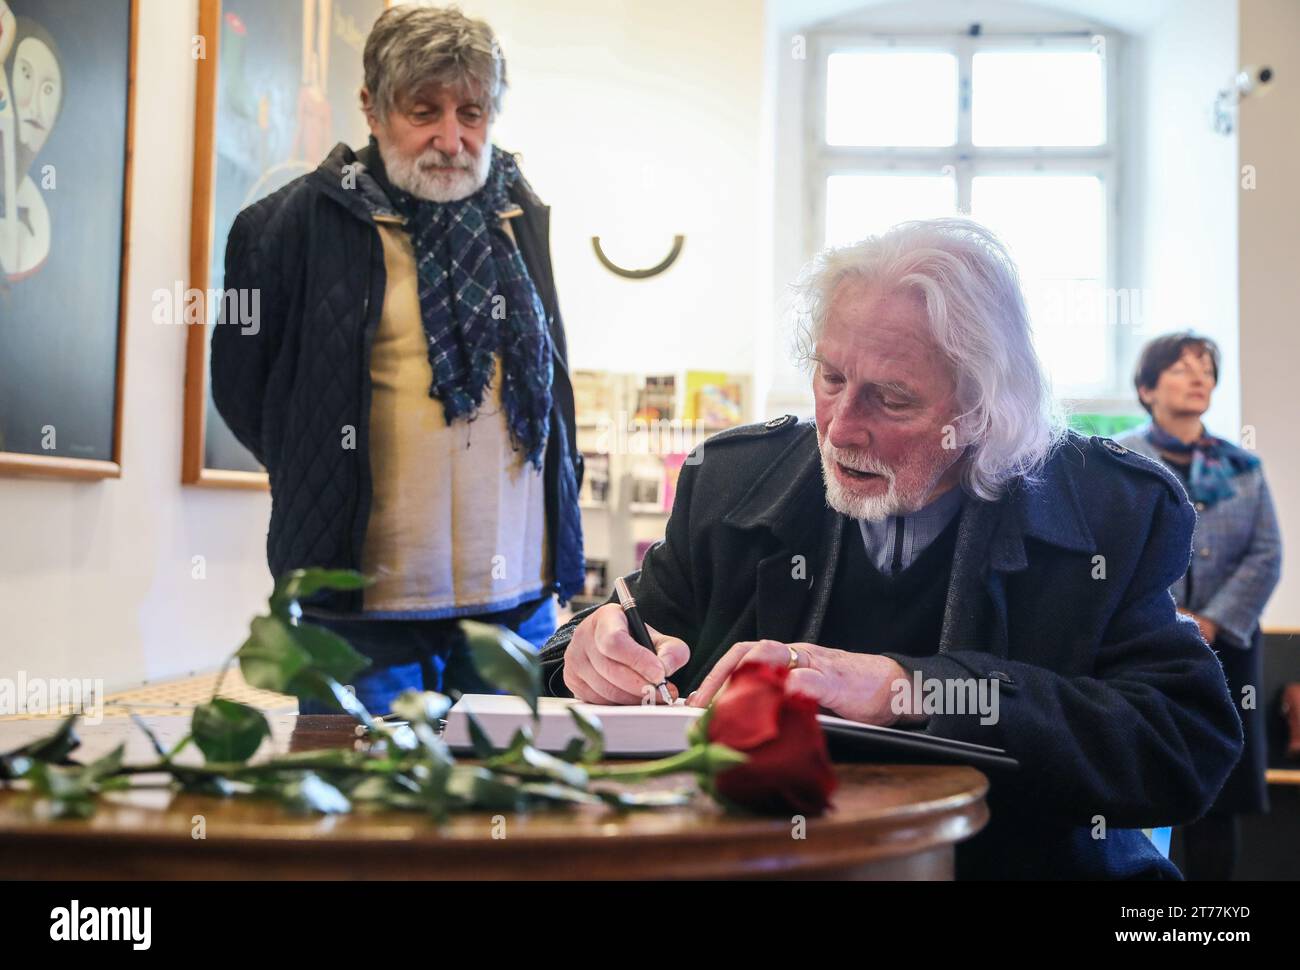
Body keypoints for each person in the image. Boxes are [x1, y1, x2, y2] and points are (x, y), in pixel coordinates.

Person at [539, 219, 1243, 880]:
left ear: (982, 409)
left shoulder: (1106, 511)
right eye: (831, 378)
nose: (841, 428)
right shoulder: (730, 486)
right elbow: (603, 645)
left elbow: (1183, 743)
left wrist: (914, 687)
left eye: (892, 399)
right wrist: (586, 654)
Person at [211, 5, 584, 714]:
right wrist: (324, 464)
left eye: (472, 112)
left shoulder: (521, 216)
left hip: (516, 607)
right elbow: (242, 389)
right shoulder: (283, 228)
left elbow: (553, 380)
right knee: (368, 811)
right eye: (425, 111)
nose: (453, 138)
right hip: (360, 616)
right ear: (372, 111)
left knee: (509, 809)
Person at [1117, 332, 1283, 880]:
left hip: (1228, 648)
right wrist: (1168, 620)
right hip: (1141, 646)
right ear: (1147, 386)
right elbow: (1111, 551)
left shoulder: (1243, 467)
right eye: (1183, 367)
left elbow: (1265, 554)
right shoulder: (1118, 461)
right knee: (1141, 778)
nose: (1199, 377)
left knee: (1222, 791)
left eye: (1207, 369)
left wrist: (1210, 620)